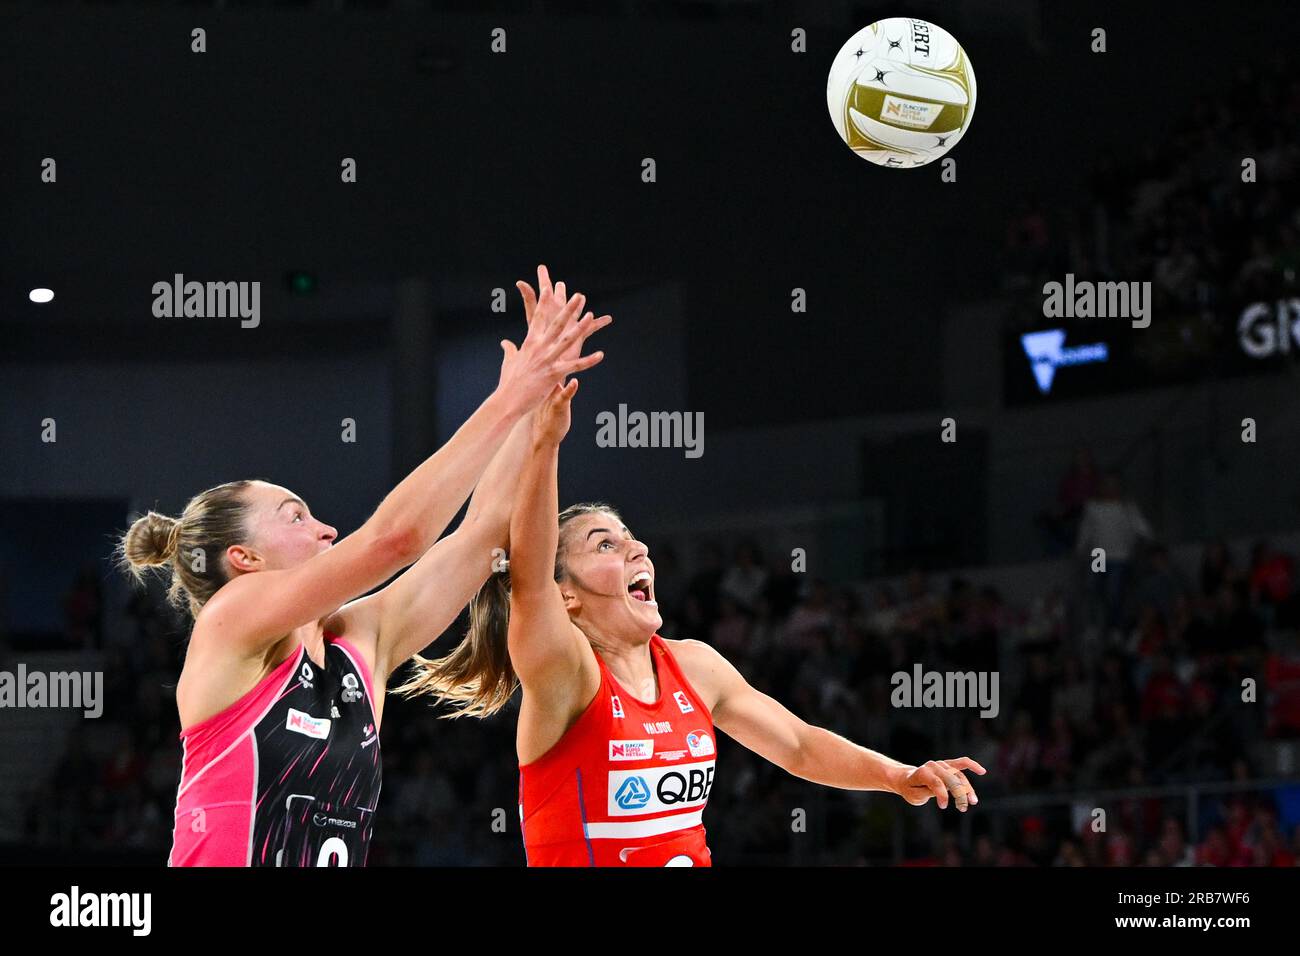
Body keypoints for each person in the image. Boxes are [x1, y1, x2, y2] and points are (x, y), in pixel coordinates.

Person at [115, 266, 609, 866]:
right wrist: (508, 399)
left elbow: (481, 541)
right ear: (243, 560)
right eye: (295, 518)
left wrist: (537, 415)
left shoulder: (360, 644)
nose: (325, 529)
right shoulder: (231, 620)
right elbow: (395, 540)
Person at [400, 377, 987, 866]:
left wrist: (897, 775)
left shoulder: (695, 666)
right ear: (568, 597)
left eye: (632, 539)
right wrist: (545, 442)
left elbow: (800, 747)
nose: (637, 550)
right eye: (605, 545)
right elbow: (527, 581)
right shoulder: (568, 676)